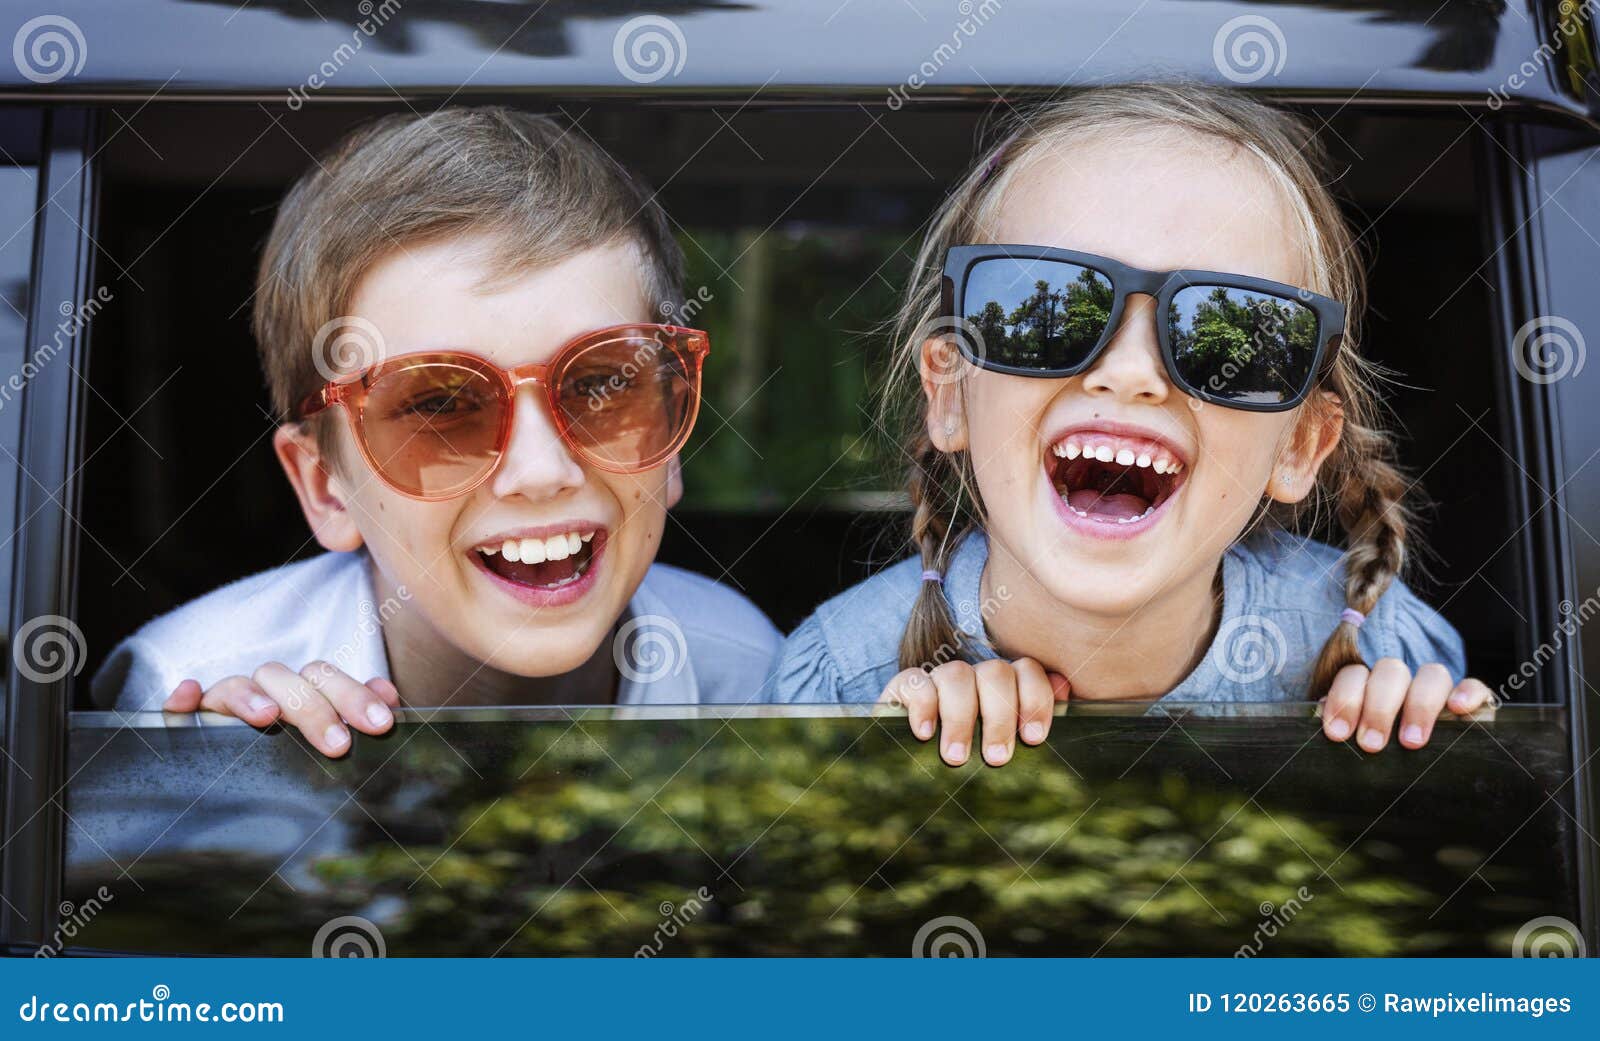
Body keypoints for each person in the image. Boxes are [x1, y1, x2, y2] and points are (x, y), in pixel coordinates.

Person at [770, 82, 1493, 763]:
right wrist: (889, 780)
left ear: (1300, 445)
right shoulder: (841, 675)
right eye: (1047, 306)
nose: (1131, 372)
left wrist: (1419, 758)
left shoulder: (1379, 642)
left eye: (1230, 335)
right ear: (953, 393)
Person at [91, 108, 780, 755]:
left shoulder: (750, 677)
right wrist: (222, 803)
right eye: (439, 408)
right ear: (325, 487)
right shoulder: (189, 694)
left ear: (671, 436)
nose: (542, 471)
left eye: (600, 385)